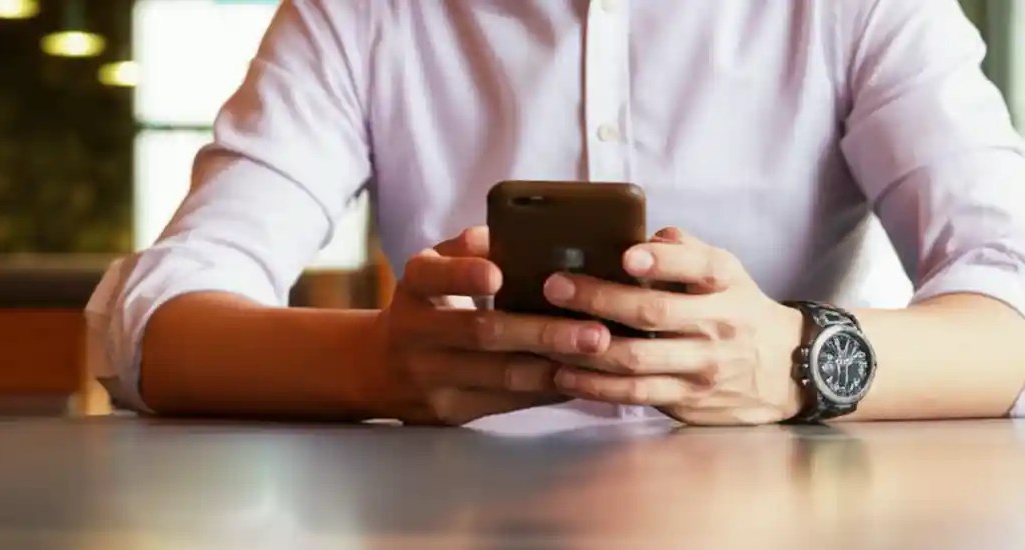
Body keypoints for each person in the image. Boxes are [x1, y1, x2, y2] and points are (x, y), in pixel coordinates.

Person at [87, 0, 1025, 427]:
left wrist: (791, 362)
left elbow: (1012, 286)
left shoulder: (863, 11)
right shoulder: (358, 15)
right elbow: (154, 328)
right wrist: (377, 364)